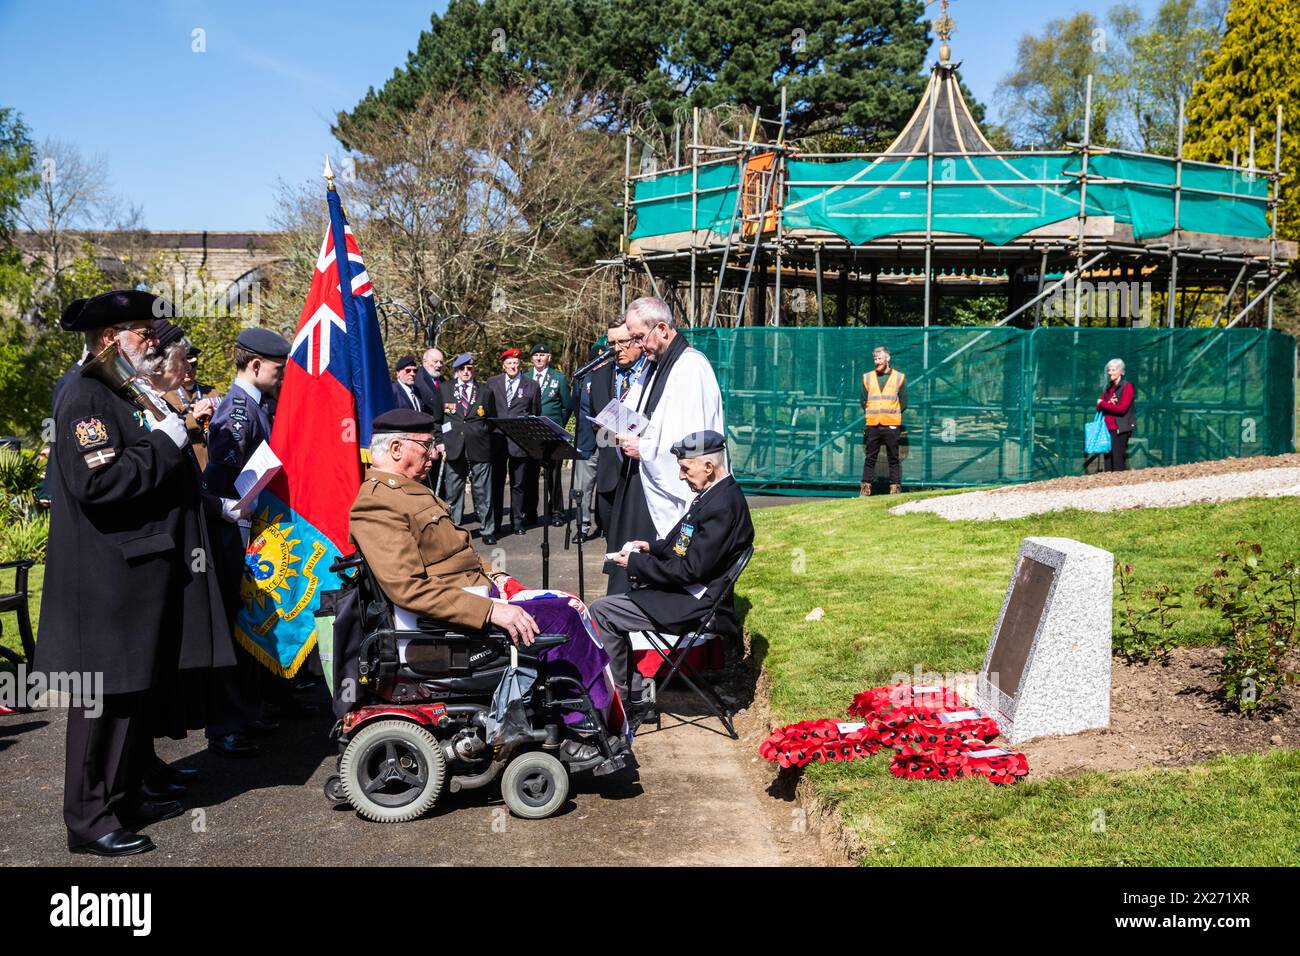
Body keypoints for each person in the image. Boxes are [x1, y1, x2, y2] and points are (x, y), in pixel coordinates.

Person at [35, 289, 236, 857]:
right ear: (109, 338)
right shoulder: (85, 395)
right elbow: (98, 482)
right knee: (102, 704)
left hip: (136, 572)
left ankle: (122, 798)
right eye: (143, 333)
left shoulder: (119, 390)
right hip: (106, 579)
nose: (153, 341)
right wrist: (165, 443)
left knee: (132, 699)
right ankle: (87, 819)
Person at [349, 408, 626, 757]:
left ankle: (587, 717)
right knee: (563, 619)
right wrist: (491, 611)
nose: (435, 453)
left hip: (471, 598)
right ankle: (578, 729)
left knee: (564, 605)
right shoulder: (378, 504)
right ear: (396, 449)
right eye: (427, 445)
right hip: (442, 627)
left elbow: (455, 553)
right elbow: (408, 589)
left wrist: (494, 574)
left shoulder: (407, 491)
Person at [590, 430, 753, 712]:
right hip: (689, 593)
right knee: (610, 606)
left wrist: (635, 564)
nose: (680, 476)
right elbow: (684, 544)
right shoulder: (716, 494)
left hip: (696, 604)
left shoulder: (722, 506)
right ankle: (633, 691)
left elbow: (689, 570)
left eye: (685, 469)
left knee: (602, 611)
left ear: (709, 467)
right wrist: (651, 548)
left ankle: (622, 701)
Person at [201, 326, 292, 757]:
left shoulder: (255, 406)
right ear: (255, 365)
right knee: (231, 629)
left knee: (246, 626)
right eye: (277, 368)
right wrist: (233, 508)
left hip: (249, 532)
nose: (282, 375)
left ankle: (246, 712)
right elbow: (216, 482)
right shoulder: (238, 412)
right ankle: (226, 725)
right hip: (232, 534)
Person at [603, 297, 723, 594]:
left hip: (664, 482)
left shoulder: (691, 367)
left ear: (662, 329)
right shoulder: (655, 365)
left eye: (639, 337)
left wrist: (645, 447)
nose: (637, 345)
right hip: (640, 477)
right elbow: (640, 411)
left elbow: (695, 438)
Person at [590, 318, 649, 537]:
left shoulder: (653, 373)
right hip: (610, 472)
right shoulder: (600, 375)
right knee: (612, 540)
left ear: (638, 340)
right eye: (612, 343)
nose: (617, 349)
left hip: (642, 470)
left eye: (623, 342)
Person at [433, 352, 497, 544]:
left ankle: (487, 530)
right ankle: (455, 531)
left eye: (469, 368)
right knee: (453, 492)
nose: (466, 372)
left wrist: (481, 433)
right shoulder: (445, 389)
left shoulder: (485, 391)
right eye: (462, 369)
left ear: (474, 369)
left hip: (479, 447)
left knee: (483, 492)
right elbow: (437, 420)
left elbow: (492, 420)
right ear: (456, 370)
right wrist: (440, 441)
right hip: (453, 447)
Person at [486, 347, 541, 534]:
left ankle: (517, 522)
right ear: (503, 366)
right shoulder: (492, 383)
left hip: (520, 441)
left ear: (520, 365)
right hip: (498, 440)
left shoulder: (532, 385)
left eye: (516, 363)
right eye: (509, 363)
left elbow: (535, 413)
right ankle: (495, 523)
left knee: (518, 484)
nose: (513, 366)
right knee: (497, 483)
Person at [526, 343, 573, 527]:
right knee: (531, 474)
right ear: (532, 359)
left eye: (543, 355)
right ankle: (530, 513)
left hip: (552, 434)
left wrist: (557, 426)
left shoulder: (558, 378)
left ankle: (556, 512)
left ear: (549, 358)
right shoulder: (525, 377)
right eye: (536, 355)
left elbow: (567, 406)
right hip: (531, 435)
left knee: (553, 474)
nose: (539, 358)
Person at [860, 345, 907, 496]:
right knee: (870, 457)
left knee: (893, 457)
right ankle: (865, 489)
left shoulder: (899, 377)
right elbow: (863, 400)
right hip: (873, 423)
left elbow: (904, 401)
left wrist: (892, 415)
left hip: (891, 423)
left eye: (879, 358)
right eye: (875, 358)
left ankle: (895, 488)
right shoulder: (867, 377)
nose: (877, 361)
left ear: (888, 358)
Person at [1096, 357, 1136, 472]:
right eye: (1109, 370)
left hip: (1119, 428)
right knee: (1107, 460)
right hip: (1106, 428)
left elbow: (1121, 409)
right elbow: (1098, 405)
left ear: (1121, 371)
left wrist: (1104, 404)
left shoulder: (1127, 386)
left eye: (1113, 370)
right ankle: (1109, 482)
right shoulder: (1109, 387)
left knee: (1118, 460)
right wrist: (1106, 404)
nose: (1110, 373)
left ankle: (1120, 482)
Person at [413, 347, 444, 411]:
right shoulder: (417, 379)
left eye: (441, 362)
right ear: (425, 361)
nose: (439, 365)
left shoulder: (441, 379)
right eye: (435, 361)